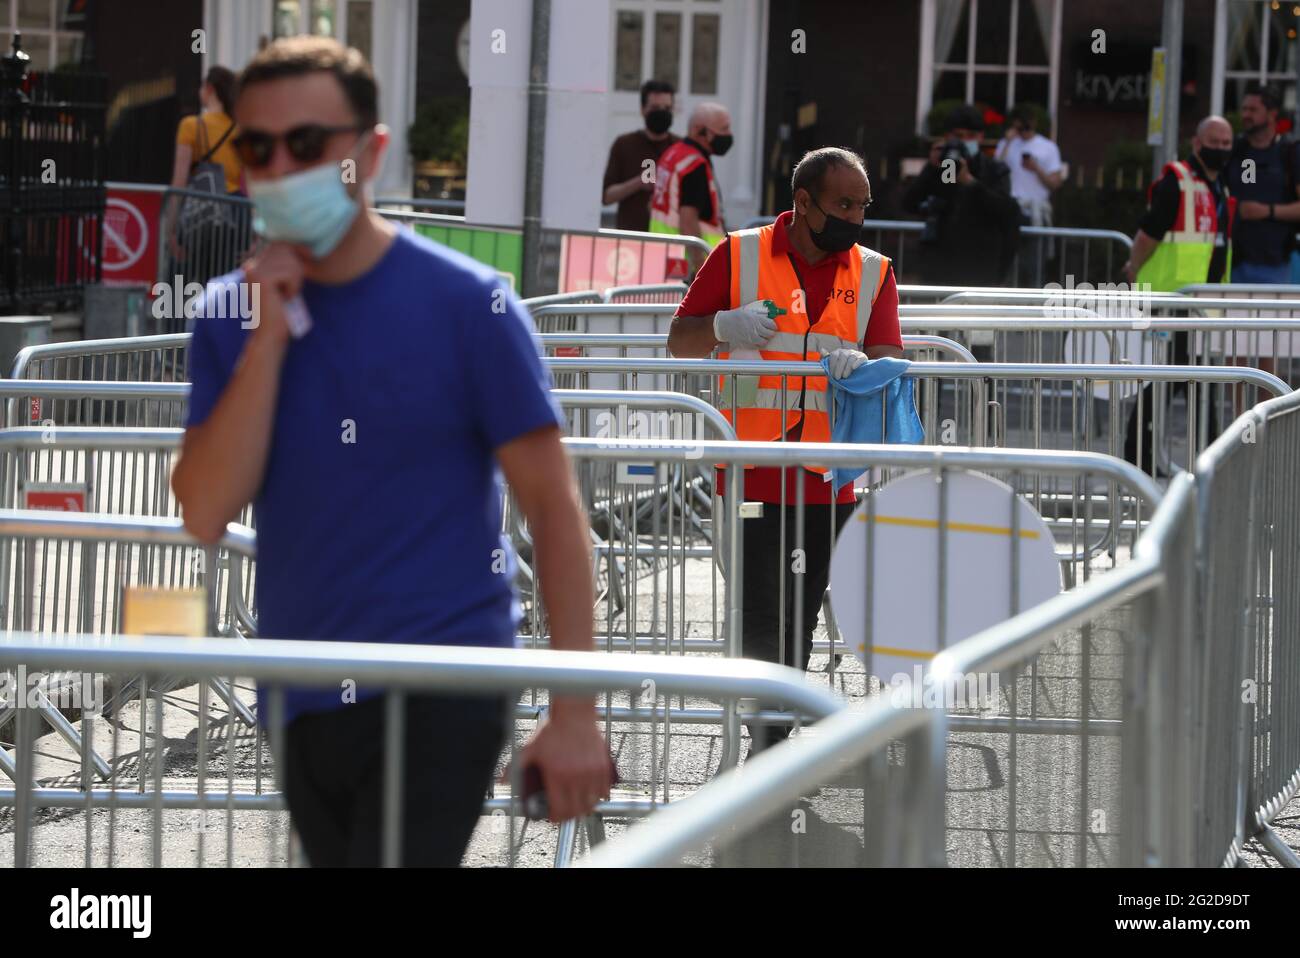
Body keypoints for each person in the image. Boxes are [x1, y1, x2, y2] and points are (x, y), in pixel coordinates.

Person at [171, 37, 612, 867]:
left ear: (369, 151)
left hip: (442, 684)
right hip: (301, 690)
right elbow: (202, 510)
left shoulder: (469, 305)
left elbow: (553, 509)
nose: (278, 166)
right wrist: (268, 342)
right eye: (257, 146)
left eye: (308, 144)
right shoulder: (230, 312)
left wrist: (575, 711)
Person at [667, 147, 904, 753]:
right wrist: (723, 325)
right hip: (751, 470)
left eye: (862, 205)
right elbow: (679, 342)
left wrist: (865, 365)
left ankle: (777, 726)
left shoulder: (874, 271)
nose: (855, 216)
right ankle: (768, 734)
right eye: (843, 204)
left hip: (829, 474)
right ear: (803, 202)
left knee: (799, 606)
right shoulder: (738, 254)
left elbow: (890, 363)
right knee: (758, 607)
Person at [1122, 115, 1236, 474]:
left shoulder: (1220, 188)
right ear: (1197, 144)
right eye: (1214, 143)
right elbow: (1147, 235)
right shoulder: (1177, 182)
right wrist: (1132, 270)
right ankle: (1208, 459)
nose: (1221, 150)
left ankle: (1144, 457)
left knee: (1185, 381)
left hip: (1201, 302)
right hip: (1173, 301)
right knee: (1182, 381)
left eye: (1227, 144)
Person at [902, 104, 1022, 288]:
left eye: (971, 136)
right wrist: (932, 167)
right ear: (948, 137)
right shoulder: (944, 168)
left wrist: (971, 182)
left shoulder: (994, 170)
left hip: (980, 268)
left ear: (981, 137)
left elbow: (1007, 210)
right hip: (940, 268)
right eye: (958, 136)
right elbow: (910, 203)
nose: (965, 141)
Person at [165, 66, 249, 299]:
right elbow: (253, 181)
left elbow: (179, 181)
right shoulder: (240, 130)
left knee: (180, 289)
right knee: (230, 294)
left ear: (210, 90)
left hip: (201, 213)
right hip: (236, 212)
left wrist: (171, 229)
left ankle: (180, 334)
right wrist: (256, 236)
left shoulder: (191, 126)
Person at [1225, 83, 1300, 285]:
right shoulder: (1234, 150)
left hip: (1276, 264)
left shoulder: (1290, 153)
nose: (1246, 115)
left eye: (1253, 109)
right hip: (1232, 260)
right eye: (1244, 109)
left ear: (1272, 113)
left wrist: (1268, 211)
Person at [650, 101, 732, 275]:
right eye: (723, 129)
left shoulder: (673, 153)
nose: (729, 135)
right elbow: (688, 222)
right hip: (685, 264)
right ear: (699, 130)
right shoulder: (693, 165)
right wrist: (702, 270)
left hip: (664, 255)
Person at [602, 79, 679, 232]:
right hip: (631, 238)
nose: (661, 112)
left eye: (667, 108)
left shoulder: (680, 148)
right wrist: (639, 182)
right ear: (643, 110)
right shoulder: (624, 144)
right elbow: (607, 197)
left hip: (670, 238)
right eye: (655, 107)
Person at [995, 106, 1064, 227]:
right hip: (1010, 205)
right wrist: (1007, 142)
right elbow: (995, 170)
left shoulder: (1048, 147)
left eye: (1027, 127)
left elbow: (1055, 183)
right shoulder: (1005, 144)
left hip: (1036, 209)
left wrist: (1036, 168)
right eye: (1020, 128)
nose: (1024, 132)